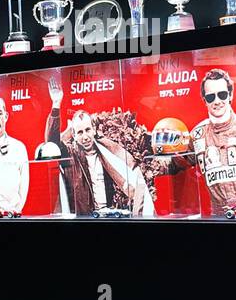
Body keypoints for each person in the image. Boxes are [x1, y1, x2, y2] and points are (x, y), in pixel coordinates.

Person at [159, 68, 236, 217]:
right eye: (211, 97)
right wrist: (145, 154)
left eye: (222, 95)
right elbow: (175, 163)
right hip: (219, 218)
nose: (217, 101)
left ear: (230, 95)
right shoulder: (197, 135)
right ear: (204, 99)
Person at [45, 80, 154, 216]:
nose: (85, 137)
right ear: (73, 134)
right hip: (85, 219)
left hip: (110, 216)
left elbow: (131, 171)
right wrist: (56, 105)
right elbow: (51, 143)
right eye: (80, 132)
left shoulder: (108, 150)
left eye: (87, 130)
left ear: (94, 129)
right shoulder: (70, 155)